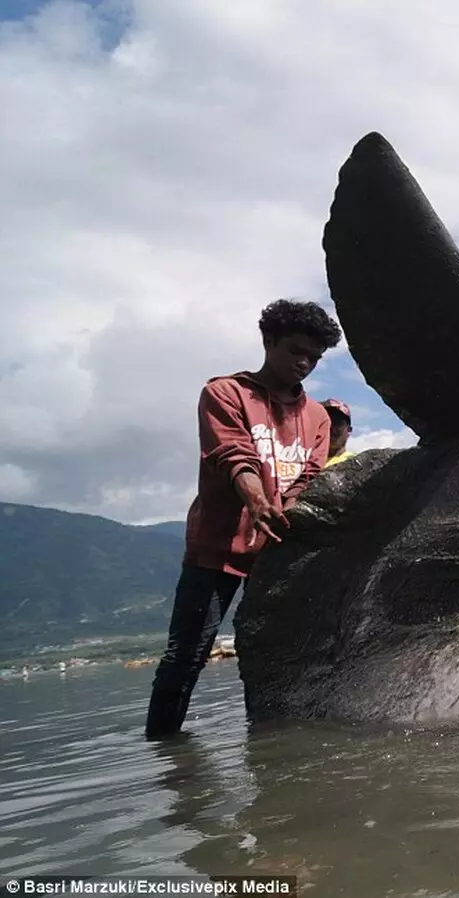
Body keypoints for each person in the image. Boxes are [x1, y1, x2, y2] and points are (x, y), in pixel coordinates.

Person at [144, 299, 343, 740]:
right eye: (295, 350)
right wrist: (257, 500)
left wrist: (285, 510)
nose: (304, 363)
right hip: (216, 549)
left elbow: (309, 476)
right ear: (268, 341)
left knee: (268, 651)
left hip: (275, 552)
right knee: (186, 654)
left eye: (313, 357)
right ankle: (163, 753)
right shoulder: (225, 393)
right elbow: (233, 454)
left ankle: (265, 746)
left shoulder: (316, 418)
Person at [322, 399, 356, 467]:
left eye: (337, 423)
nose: (331, 428)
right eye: (326, 422)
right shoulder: (305, 464)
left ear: (348, 430)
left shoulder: (354, 462)